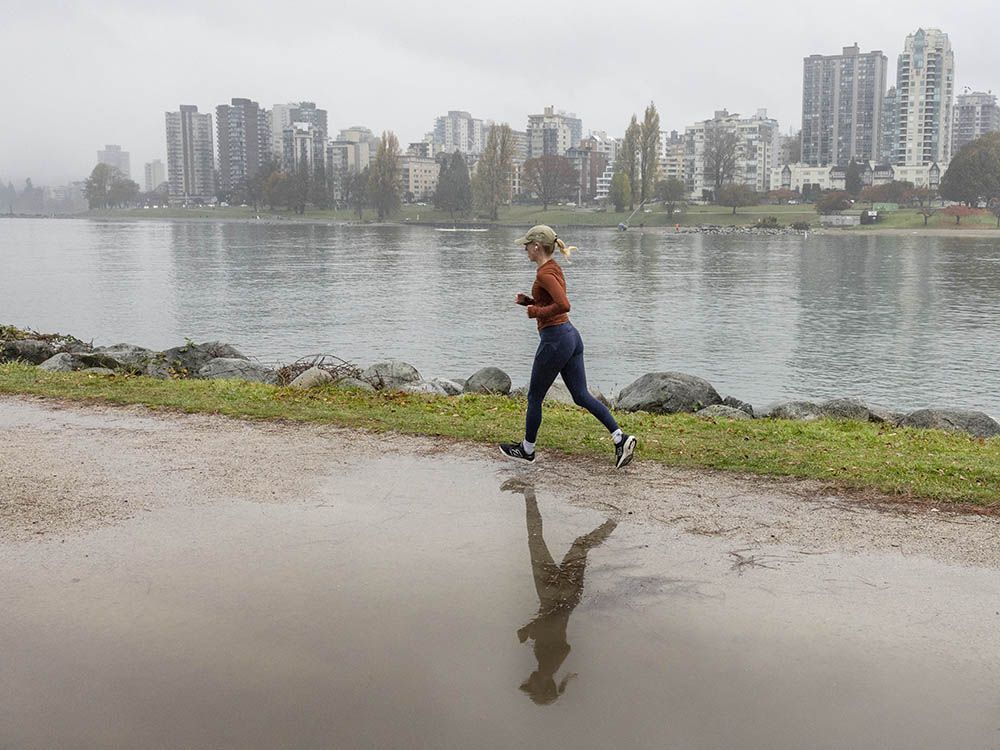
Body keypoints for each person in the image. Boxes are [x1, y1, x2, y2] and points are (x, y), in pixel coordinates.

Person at [499, 225, 636, 469]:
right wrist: (531, 302)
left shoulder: (544, 274)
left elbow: (563, 304)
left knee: (534, 397)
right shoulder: (552, 267)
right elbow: (553, 300)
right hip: (570, 336)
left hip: (555, 340)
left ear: (537, 247)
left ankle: (527, 450)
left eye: (527, 245)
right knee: (581, 395)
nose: (524, 249)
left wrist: (535, 311)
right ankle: (620, 438)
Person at [501, 476, 617, 705]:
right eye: (532, 687)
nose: (528, 682)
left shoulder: (547, 665)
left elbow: (557, 639)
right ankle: (529, 494)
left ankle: (614, 521)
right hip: (554, 596)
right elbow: (560, 642)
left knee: (577, 545)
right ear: (544, 686)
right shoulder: (548, 666)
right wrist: (529, 629)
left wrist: (533, 631)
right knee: (538, 540)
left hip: (565, 596)